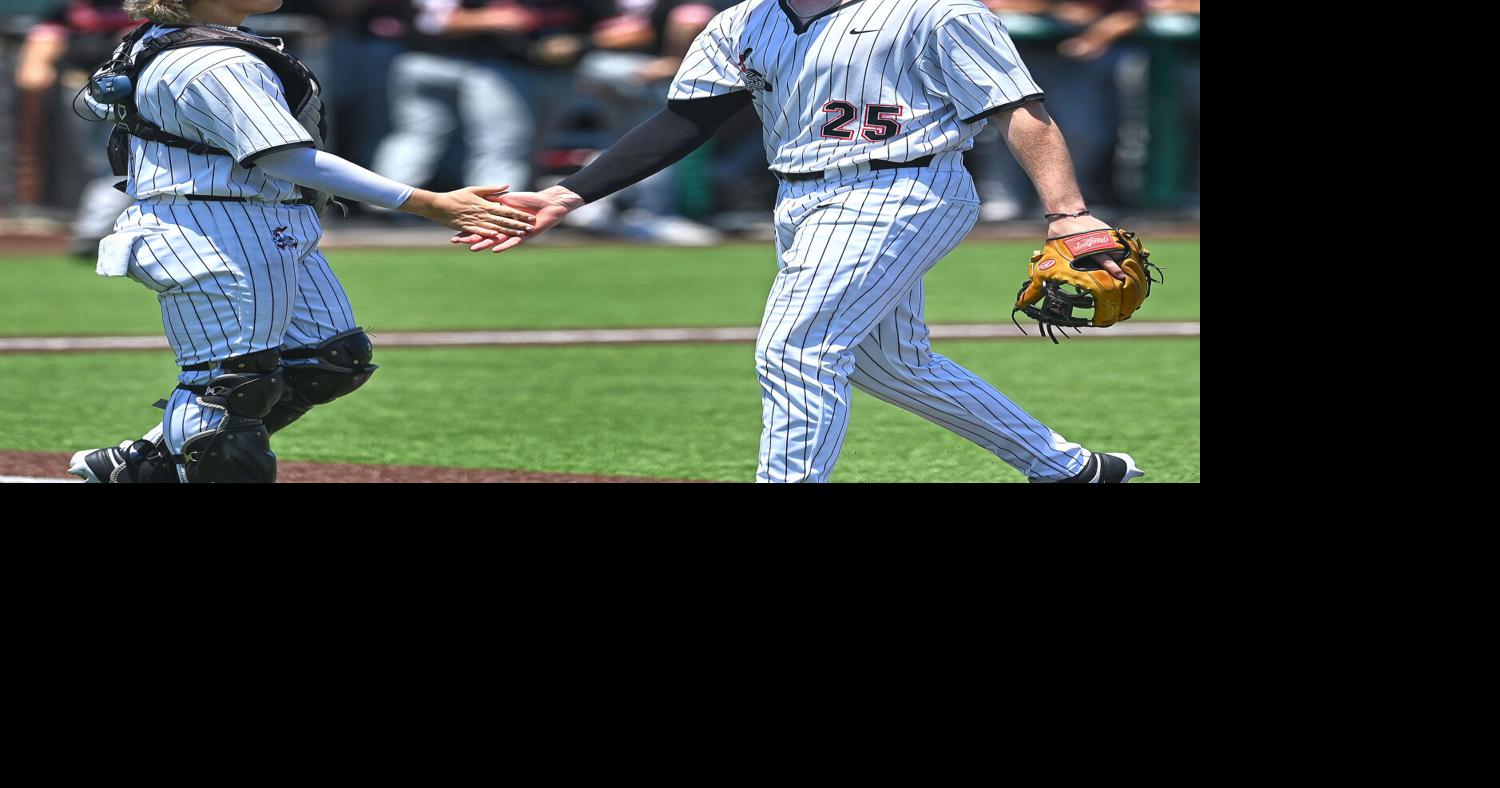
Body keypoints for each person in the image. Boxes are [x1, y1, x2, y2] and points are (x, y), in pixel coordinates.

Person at [457, 0, 1145, 483]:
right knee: (893, 364)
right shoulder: (742, 21)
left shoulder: (937, 11)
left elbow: (1018, 110)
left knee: (797, 348)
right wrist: (567, 194)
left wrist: (1067, 214)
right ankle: (1068, 469)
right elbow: (686, 121)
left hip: (906, 186)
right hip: (802, 197)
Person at [66, 0, 534, 483]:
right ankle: (165, 467)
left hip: (258, 218)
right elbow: (284, 157)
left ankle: (145, 464)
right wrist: (427, 202)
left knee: (326, 360)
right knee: (230, 385)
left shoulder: (168, 36)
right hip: (212, 225)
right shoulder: (213, 59)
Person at [12, 0, 140, 255]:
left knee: (119, 164)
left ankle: (98, 229)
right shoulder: (69, 11)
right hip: (87, 93)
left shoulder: (141, 7)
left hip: (134, 92)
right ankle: (94, 232)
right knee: (115, 164)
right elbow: (32, 70)